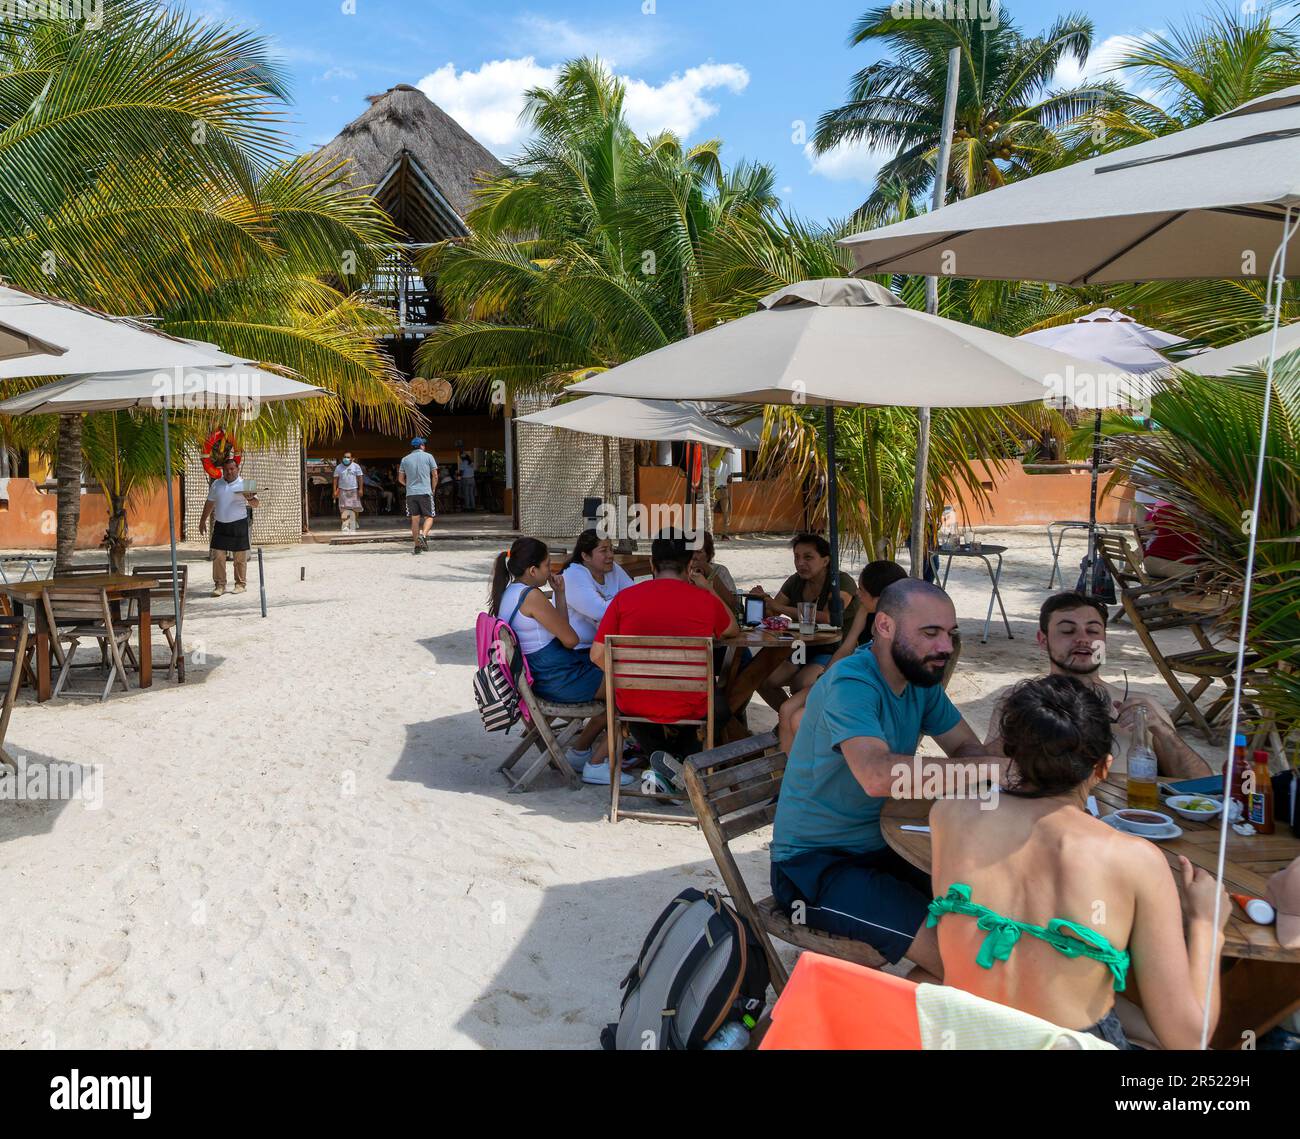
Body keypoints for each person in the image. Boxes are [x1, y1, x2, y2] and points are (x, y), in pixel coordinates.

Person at [930, 676, 1227, 1048]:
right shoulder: (1134, 859)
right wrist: (1207, 925)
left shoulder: (948, 814)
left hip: (966, 1036)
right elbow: (1189, 1038)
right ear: (1103, 768)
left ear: (1010, 752)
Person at [769, 579, 994, 978]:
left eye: (950, 634)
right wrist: (996, 770)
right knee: (968, 964)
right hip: (814, 868)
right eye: (930, 633)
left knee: (988, 917)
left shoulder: (919, 679)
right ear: (885, 626)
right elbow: (876, 776)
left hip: (887, 848)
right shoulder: (852, 682)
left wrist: (989, 765)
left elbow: (966, 749)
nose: (945, 647)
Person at [983, 592, 1211, 778]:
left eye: (1093, 631)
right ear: (1043, 640)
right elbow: (984, 775)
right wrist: (1021, 726)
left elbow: (1200, 785)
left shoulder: (1142, 705)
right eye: (1067, 631)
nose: (1083, 638)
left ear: (1104, 640)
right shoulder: (1017, 700)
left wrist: (1163, 732)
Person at [592, 532, 738, 786]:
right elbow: (732, 630)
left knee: (628, 702)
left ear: (652, 563)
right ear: (690, 564)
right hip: (691, 702)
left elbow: (596, 655)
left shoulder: (624, 599)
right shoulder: (704, 601)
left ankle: (663, 762)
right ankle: (678, 762)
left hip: (634, 701)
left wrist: (632, 675)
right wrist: (708, 589)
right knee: (720, 709)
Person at [489, 538, 616, 784]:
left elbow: (562, 634)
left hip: (543, 674)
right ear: (532, 570)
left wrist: (560, 593)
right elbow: (570, 639)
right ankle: (596, 763)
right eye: (547, 565)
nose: (551, 570)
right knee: (625, 690)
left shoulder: (510, 592)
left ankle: (581, 751)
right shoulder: (532, 597)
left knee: (615, 677)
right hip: (557, 678)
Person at [777, 560, 908, 755]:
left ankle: (807, 772)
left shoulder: (899, 626)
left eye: (862, 590)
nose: (857, 593)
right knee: (786, 709)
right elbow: (847, 647)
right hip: (843, 674)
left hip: (859, 685)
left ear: (880, 597)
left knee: (799, 718)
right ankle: (791, 775)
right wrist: (825, 678)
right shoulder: (866, 610)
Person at [748, 533, 859, 710]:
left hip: (835, 648)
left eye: (808, 557)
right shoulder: (795, 581)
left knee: (801, 684)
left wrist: (778, 607)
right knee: (763, 681)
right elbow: (772, 611)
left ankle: (796, 723)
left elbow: (829, 617)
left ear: (825, 560)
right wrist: (761, 599)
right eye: (797, 557)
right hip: (802, 647)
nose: (800, 563)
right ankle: (791, 722)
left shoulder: (841, 581)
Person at [561, 530, 634, 650]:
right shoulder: (573, 575)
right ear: (585, 556)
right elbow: (601, 612)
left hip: (608, 646)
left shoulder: (613, 568)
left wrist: (606, 601)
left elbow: (635, 596)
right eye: (603, 550)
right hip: (579, 651)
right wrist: (620, 600)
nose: (610, 555)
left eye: (611, 549)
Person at [198, 457, 259, 597]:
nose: (229, 472)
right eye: (226, 470)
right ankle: (220, 585)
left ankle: (240, 584)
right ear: (223, 471)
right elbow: (209, 503)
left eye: (232, 469)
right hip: (220, 525)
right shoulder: (216, 484)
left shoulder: (246, 484)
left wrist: (249, 498)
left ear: (237, 469)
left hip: (239, 523)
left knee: (240, 557)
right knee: (218, 556)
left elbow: (256, 504)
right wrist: (202, 521)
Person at [398, 438, 438, 555]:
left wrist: (409, 485)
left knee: (414, 520)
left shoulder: (404, 459)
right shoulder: (429, 456)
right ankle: (423, 535)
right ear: (421, 446)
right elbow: (435, 475)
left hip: (411, 493)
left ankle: (416, 546)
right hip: (425, 491)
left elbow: (400, 479)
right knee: (429, 517)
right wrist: (433, 488)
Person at [687, 531, 739, 615]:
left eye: (698, 552)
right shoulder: (681, 572)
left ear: (708, 555)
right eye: (690, 552)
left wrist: (708, 570)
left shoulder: (720, 570)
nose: (693, 556)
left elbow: (734, 605)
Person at [333, 451, 364, 533]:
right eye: (344, 457)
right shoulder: (338, 467)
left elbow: (360, 478)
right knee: (343, 508)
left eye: (348, 457)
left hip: (354, 489)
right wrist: (334, 491)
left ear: (352, 458)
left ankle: (354, 522)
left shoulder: (356, 466)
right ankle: (345, 525)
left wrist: (361, 489)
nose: (346, 459)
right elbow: (335, 479)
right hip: (342, 490)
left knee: (355, 508)